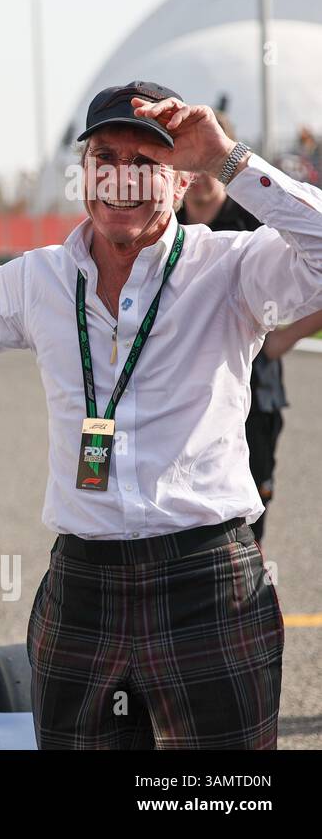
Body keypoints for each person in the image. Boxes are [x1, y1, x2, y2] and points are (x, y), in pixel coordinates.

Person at [0, 81, 320, 748]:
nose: (123, 177)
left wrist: (228, 159)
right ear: (84, 175)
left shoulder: (230, 267)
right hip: (83, 585)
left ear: (183, 184)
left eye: (147, 163)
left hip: (206, 580)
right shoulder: (41, 279)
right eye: (106, 157)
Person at [178, 112, 322, 544]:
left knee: (245, 514)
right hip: (184, 394)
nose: (198, 179)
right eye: (188, 169)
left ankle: (240, 595)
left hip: (256, 390)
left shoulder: (256, 219)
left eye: (207, 167)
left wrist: (287, 335)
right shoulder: (163, 228)